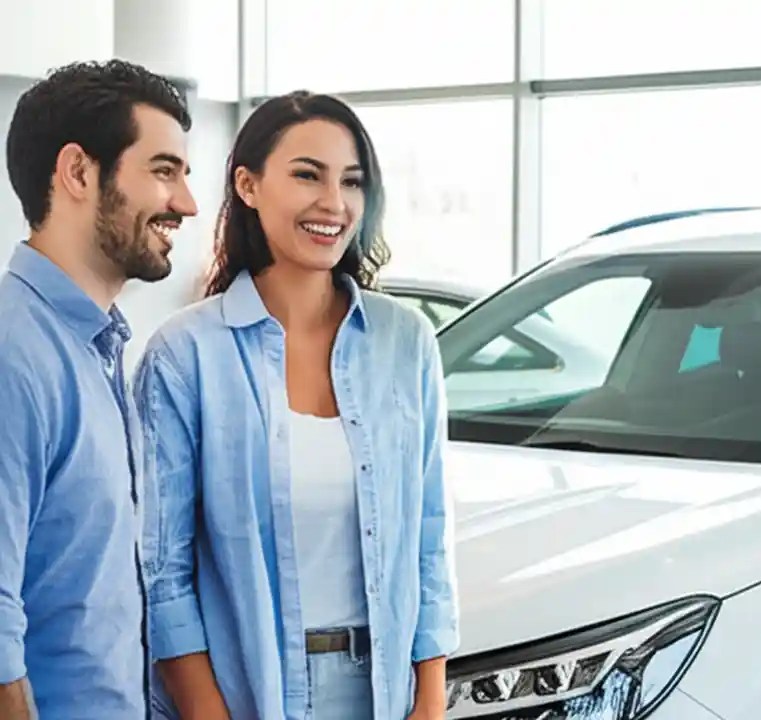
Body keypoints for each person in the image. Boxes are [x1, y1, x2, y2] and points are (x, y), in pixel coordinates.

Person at [132, 90, 458, 720]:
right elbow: (162, 572)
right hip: (241, 692)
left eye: (352, 182)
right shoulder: (185, 355)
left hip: (381, 693)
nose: (334, 203)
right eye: (308, 174)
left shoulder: (406, 342)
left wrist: (430, 701)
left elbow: (429, 543)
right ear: (248, 185)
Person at [0, 60, 197, 719]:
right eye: (164, 170)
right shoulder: (14, 353)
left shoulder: (99, 349)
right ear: (79, 173)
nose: (187, 203)